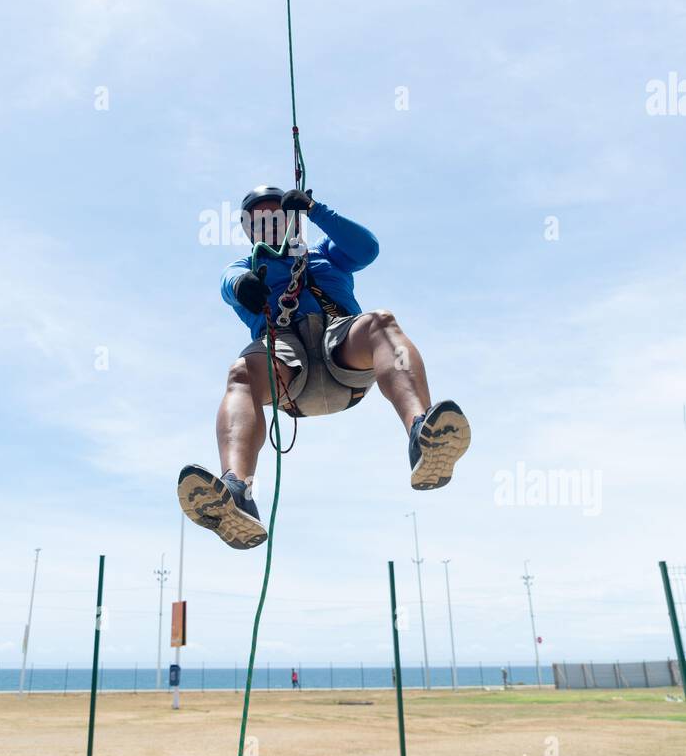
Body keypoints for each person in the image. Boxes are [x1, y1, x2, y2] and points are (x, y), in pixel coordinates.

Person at [177, 186, 470, 549]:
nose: (269, 225)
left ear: (292, 221)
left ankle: (421, 433)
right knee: (240, 373)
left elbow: (367, 249)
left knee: (380, 321)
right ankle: (237, 489)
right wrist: (245, 286)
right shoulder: (245, 267)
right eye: (259, 220)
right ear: (247, 229)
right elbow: (230, 284)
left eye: (278, 217)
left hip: (341, 350)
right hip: (288, 365)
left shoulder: (328, 255)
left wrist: (317, 210)